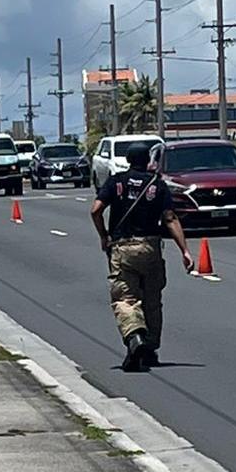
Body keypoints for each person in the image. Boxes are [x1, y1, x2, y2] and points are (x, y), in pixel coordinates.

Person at [90, 142, 193, 372]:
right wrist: (184, 250)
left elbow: (96, 210)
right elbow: (169, 218)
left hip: (123, 248)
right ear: (148, 161)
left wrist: (103, 235)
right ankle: (149, 348)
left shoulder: (116, 182)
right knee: (152, 301)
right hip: (151, 248)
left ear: (127, 160)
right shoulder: (157, 184)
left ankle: (134, 337)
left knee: (125, 299)